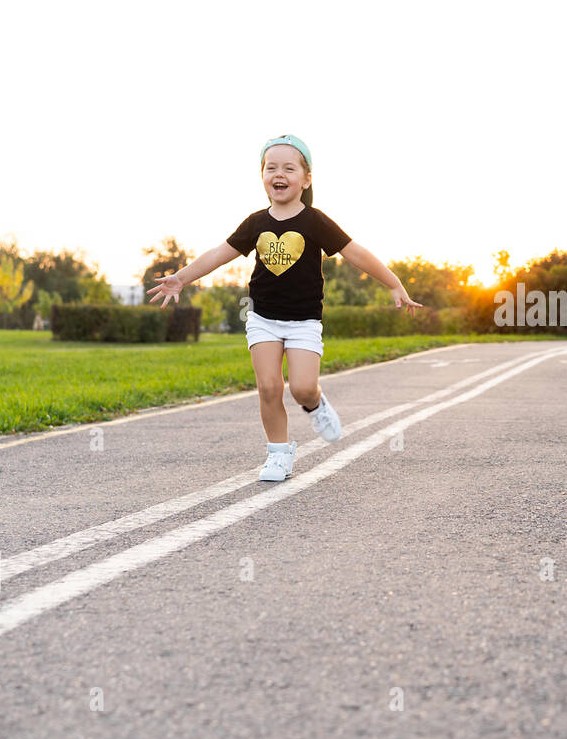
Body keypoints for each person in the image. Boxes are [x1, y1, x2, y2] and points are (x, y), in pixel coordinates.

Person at [149, 134, 423, 482]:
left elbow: (356, 253)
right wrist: (182, 278)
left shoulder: (315, 221)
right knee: (269, 387)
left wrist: (394, 283)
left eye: (289, 168)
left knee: (302, 388)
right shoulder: (255, 223)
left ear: (306, 179)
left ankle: (316, 404)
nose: (279, 173)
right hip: (262, 317)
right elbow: (219, 254)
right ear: (263, 176)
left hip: (303, 321)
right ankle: (278, 454)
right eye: (270, 167)